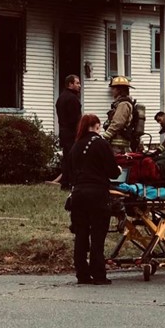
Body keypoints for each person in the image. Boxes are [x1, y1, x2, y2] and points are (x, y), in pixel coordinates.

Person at [65, 114, 118, 285]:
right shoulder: (101, 143)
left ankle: (82, 273)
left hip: (78, 194)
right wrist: (117, 169)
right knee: (97, 235)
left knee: (81, 235)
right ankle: (99, 274)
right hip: (97, 193)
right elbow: (113, 171)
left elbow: (68, 171)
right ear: (96, 126)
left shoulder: (76, 145)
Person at [55, 74, 83, 188]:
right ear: (70, 84)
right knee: (74, 158)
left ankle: (65, 183)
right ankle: (72, 182)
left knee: (67, 158)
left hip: (63, 131)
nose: (79, 86)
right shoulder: (72, 99)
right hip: (72, 133)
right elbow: (75, 119)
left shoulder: (61, 97)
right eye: (77, 83)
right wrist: (80, 131)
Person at [101, 76, 136, 155]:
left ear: (119, 90)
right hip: (118, 143)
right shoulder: (121, 103)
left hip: (119, 145)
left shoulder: (123, 104)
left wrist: (105, 136)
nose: (112, 91)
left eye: (113, 88)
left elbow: (118, 123)